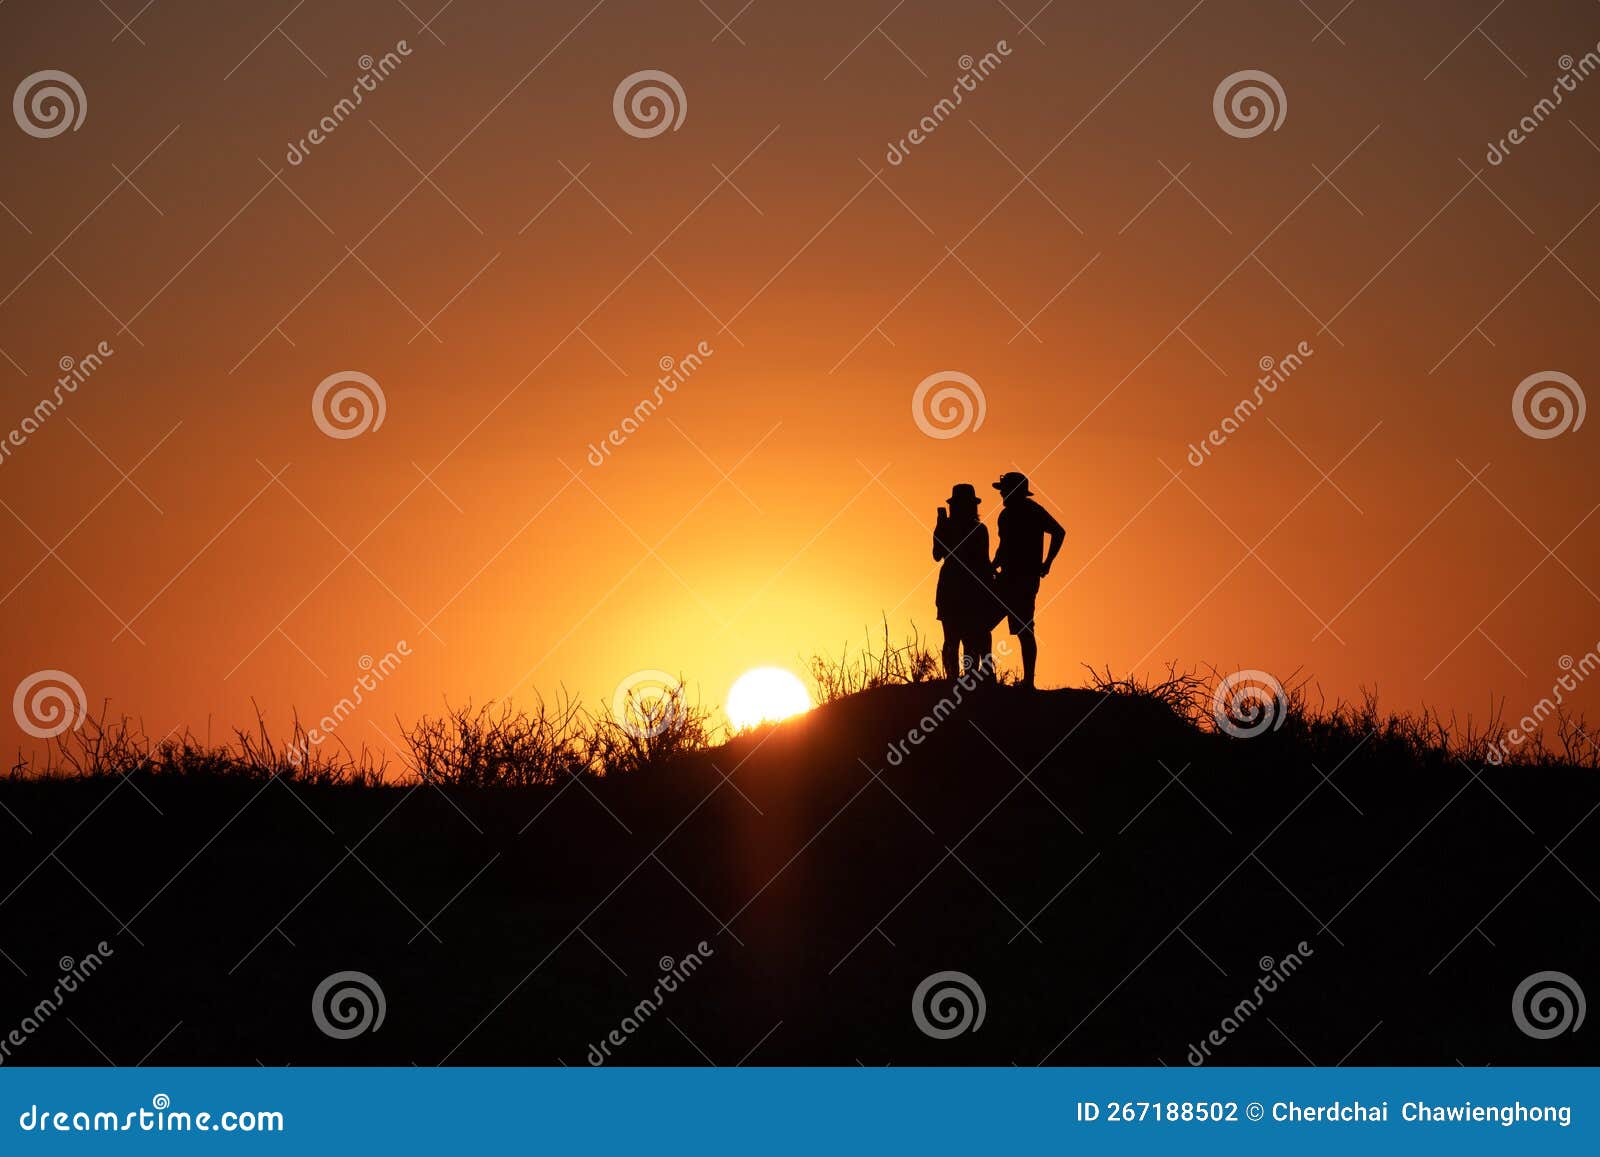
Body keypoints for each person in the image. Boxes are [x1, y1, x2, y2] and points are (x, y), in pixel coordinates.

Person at [991, 471, 1064, 689]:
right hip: (1007, 578)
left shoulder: (1033, 512)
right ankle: (987, 678)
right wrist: (993, 565)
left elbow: (1059, 532)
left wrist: (1047, 562)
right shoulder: (1005, 516)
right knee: (987, 622)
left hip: (1023, 580)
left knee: (1023, 629)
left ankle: (1028, 682)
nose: (1002, 493)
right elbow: (1003, 547)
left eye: (1004, 489)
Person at [932, 483, 994, 681]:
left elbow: (936, 554)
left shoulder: (951, 528)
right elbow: (984, 563)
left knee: (955, 638)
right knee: (966, 638)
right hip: (966, 589)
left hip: (955, 588)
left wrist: (941, 527)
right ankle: (966, 678)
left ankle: (955, 679)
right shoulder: (979, 530)